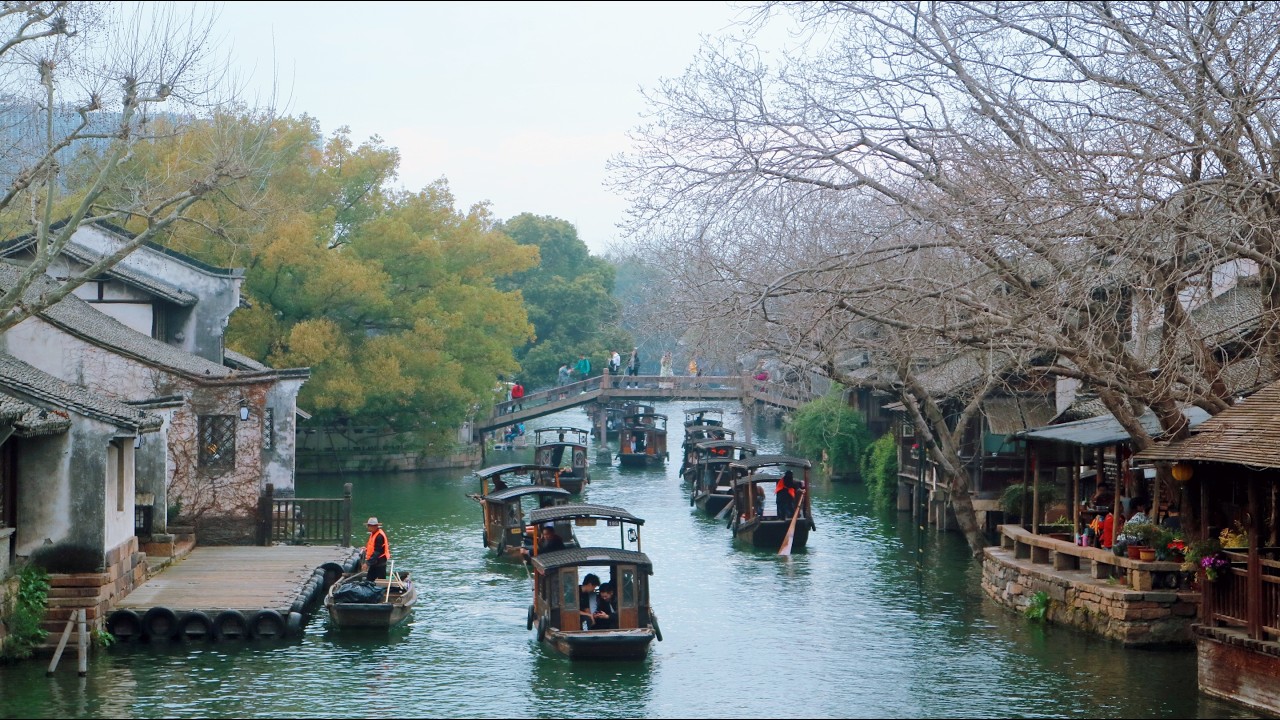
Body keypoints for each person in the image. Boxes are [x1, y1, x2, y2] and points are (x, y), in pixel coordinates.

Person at [361, 517, 390, 582]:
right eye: (368, 526)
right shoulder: (374, 534)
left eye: (369, 526)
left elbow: (377, 552)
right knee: (369, 579)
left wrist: (367, 563)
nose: (368, 527)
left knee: (381, 581)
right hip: (374, 562)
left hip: (380, 562)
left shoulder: (379, 536)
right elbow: (373, 547)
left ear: (374, 526)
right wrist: (366, 549)